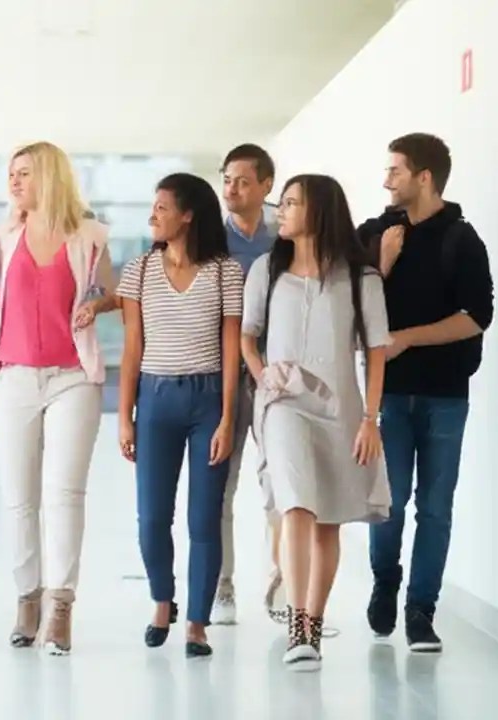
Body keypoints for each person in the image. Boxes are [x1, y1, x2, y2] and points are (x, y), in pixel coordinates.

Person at [0, 141, 117, 656]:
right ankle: (26, 598)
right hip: (13, 378)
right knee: (19, 498)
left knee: (64, 494)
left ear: (50, 176)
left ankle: (60, 605)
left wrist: (97, 303)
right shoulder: (2, 238)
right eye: (11, 173)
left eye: (25, 173)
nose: (13, 182)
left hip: (72, 377)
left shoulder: (91, 236)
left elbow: (111, 293)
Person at [241, 174, 391, 671]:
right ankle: (298, 622)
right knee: (297, 504)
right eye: (279, 203)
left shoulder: (361, 278)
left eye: (289, 203)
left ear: (319, 210)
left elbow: (376, 350)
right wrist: (265, 380)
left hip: (341, 409)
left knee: (327, 517)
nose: (279, 211)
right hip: (283, 406)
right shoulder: (267, 269)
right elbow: (248, 335)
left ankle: (314, 623)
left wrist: (371, 418)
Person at [359, 133, 494, 653]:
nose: (386, 180)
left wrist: (406, 339)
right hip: (386, 396)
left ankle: (421, 610)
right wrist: (383, 264)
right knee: (387, 505)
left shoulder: (462, 240)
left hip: (445, 396)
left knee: (435, 508)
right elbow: (346, 295)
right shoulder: (375, 234)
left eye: (395, 171)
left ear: (424, 177)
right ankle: (385, 579)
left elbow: (476, 317)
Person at [116, 173, 244, 657]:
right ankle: (162, 601)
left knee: (204, 518)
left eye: (162, 207)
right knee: (152, 517)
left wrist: (229, 418)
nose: (153, 216)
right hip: (154, 400)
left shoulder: (225, 272)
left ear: (188, 214)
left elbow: (231, 348)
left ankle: (196, 622)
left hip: (207, 398)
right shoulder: (139, 271)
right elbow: (132, 349)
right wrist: (124, 416)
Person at [215, 143, 280, 625]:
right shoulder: (211, 241)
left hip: (276, 374)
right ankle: (222, 588)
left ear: (265, 186)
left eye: (241, 180)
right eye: (227, 179)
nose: (231, 189)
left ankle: (282, 587)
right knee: (222, 483)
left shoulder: (287, 238)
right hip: (226, 377)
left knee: (281, 482)